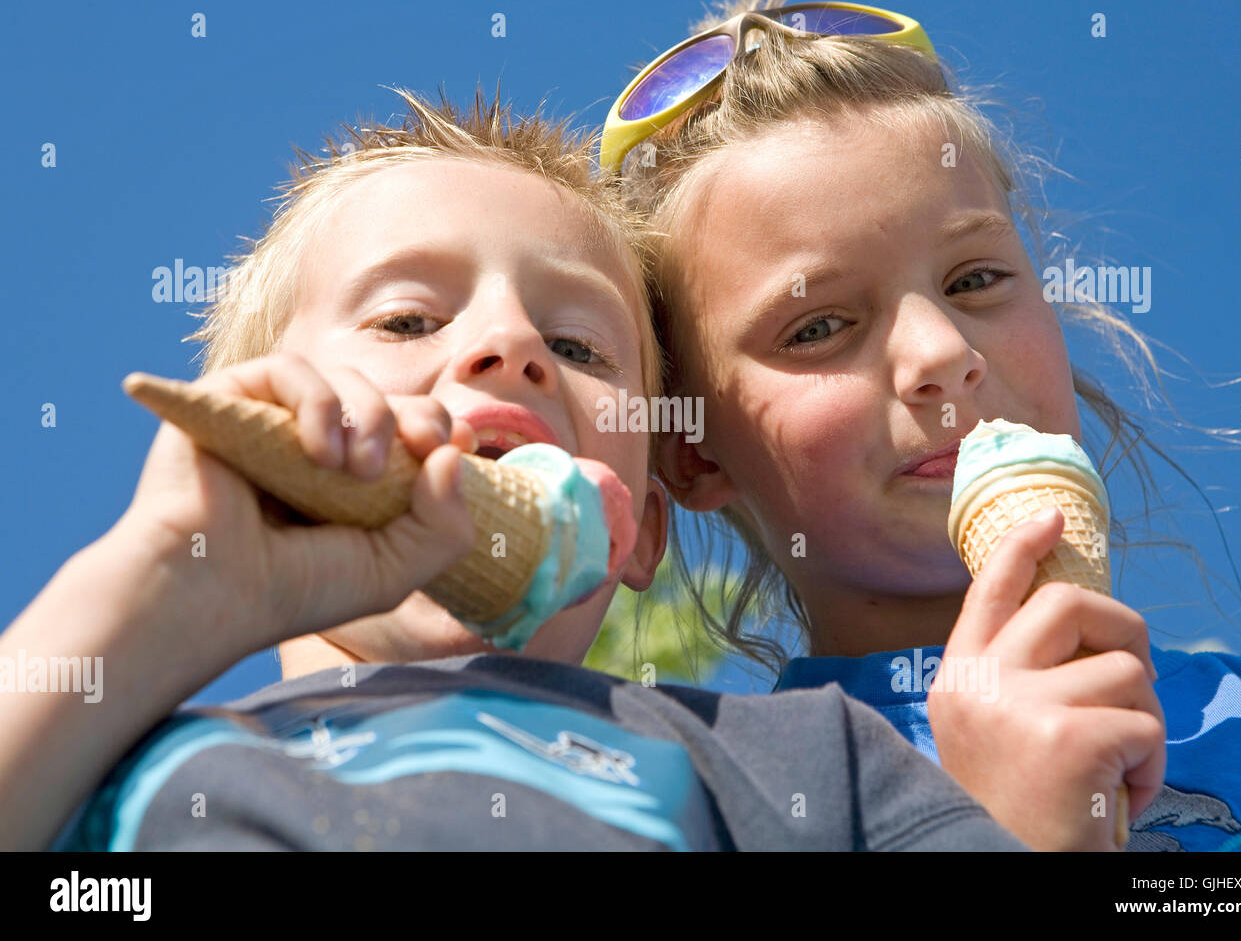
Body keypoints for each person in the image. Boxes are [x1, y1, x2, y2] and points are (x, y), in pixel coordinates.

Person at [0, 86, 1026, 852]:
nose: (508, 344)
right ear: (250, 424)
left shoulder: (816, 762)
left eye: (577, 348)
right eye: (407, 318)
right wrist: (157, 585)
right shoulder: (102, 770)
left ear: (643, 533)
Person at [609, 0, 1241, 852]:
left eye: (974, 280)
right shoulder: (702, 799)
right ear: (691, 454)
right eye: (819, 326)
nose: (941, 353)